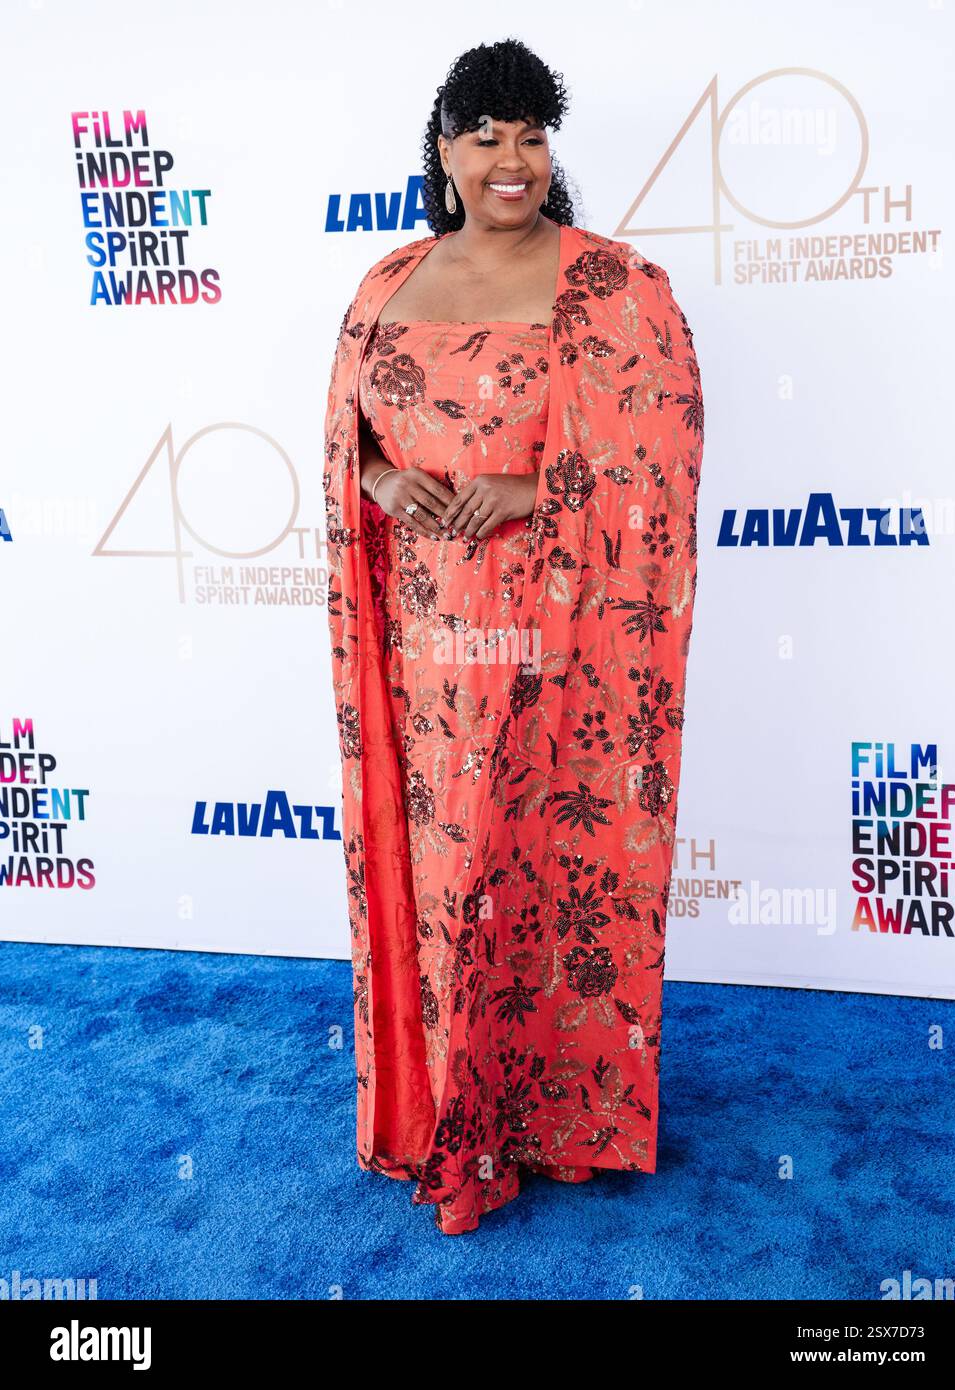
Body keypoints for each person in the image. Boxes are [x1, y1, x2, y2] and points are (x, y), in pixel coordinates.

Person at [323, 37, 705, 1233]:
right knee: (444, 877)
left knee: (545, 865)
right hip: (424, 646)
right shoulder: (387, 283)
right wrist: (381, 484)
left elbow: (660, 450)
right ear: (441, 150)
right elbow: (351, 445)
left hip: (559, 646)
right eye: (485, 133)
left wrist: (534, 492)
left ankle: (552, 1116)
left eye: (533, 134)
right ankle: (450, 1111)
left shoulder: (611, 286)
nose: (511, 158)